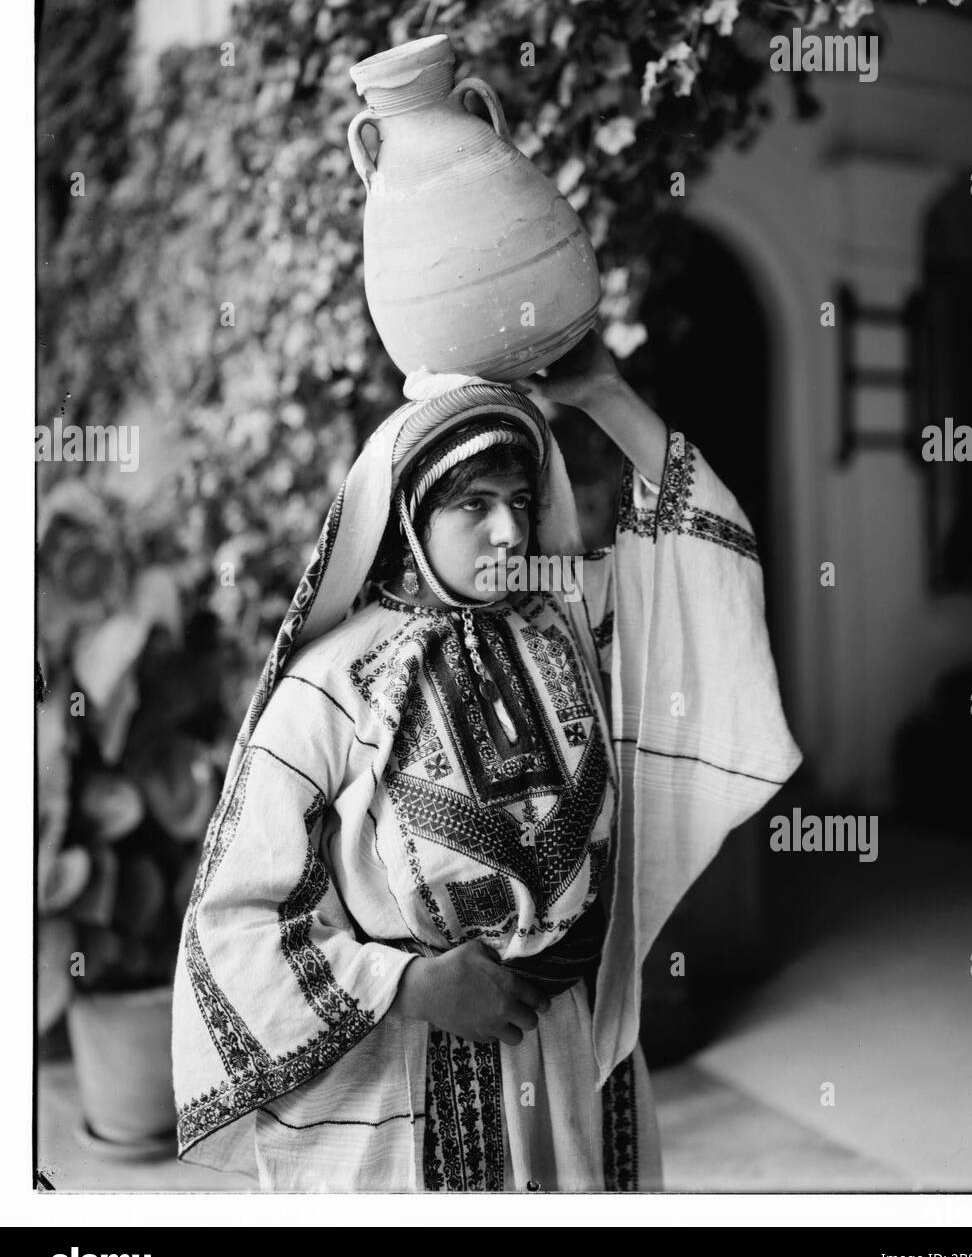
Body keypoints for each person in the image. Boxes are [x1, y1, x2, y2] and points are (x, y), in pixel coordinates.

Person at [171, 330, 802, 1191]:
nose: (508, 527)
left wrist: (607, 397)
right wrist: (408, 985)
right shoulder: (329, 690)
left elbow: (705, 560)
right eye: (473, 505)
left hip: (577, 1059)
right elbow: (231, 930)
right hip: (423, 1079)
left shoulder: (569, 625)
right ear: (408, 517)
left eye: (517, 496)